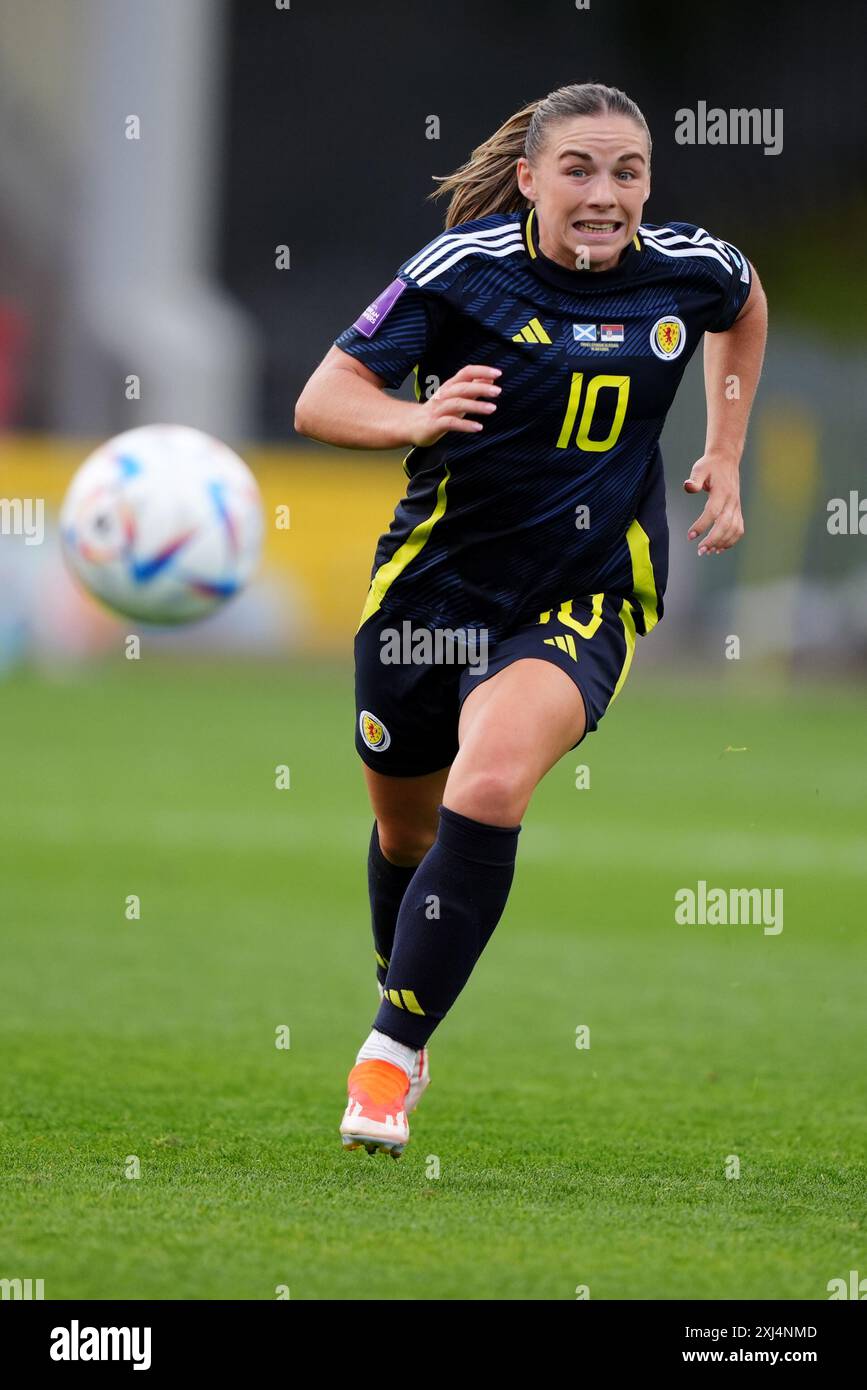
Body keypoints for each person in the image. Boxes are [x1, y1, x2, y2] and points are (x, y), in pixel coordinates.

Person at [294, 82, 768, 1157]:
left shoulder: (690, 266)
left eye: (630, 171)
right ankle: (410, 983)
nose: (608, 195)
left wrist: (727, 450)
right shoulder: (463, 273)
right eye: (580, 170)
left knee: (492, 780)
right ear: (528, 179)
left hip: (584, 592)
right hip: (431, 597)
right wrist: (414, 415)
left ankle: (389, 1053)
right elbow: (322, 397)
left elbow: (742, 306)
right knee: (408, 832)